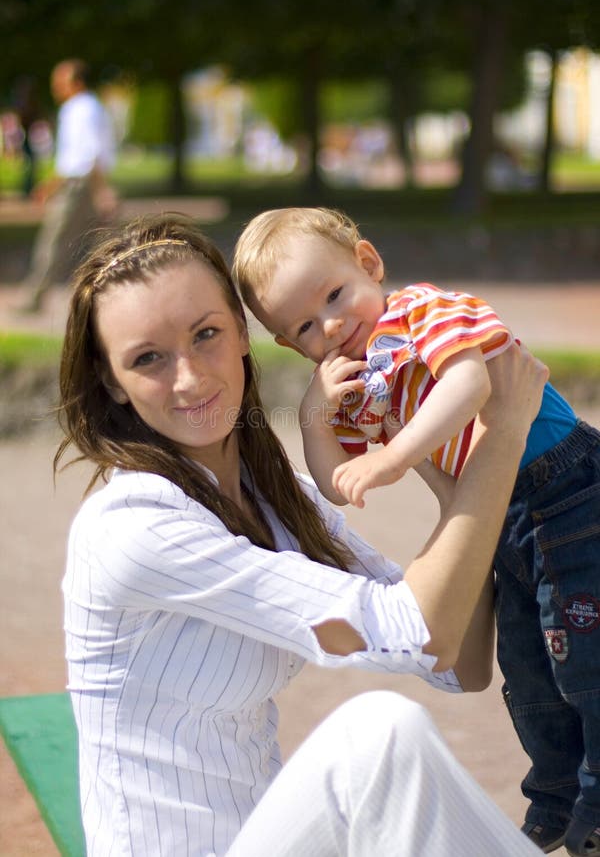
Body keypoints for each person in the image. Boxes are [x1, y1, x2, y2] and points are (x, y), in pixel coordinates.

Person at [57, 212, 547, 857]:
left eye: (205, 334)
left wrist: (449, 473)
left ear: (242, 335)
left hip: (261, 838)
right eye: (147, 358)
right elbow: (419, 631)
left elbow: (456, 661)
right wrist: (501, 437)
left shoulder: (277, 500)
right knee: (377, 737)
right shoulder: (134, 527)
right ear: (111, 384)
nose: (190, 377)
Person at [233, 206, 600, 856]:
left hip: (569, 487)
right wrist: (318, 416)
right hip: (505, 513)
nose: (333, 325)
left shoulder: (422, 311)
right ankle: (556, 795)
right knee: (527, 668)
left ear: (369, 264)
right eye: (306, 328)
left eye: (337, 294)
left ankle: (594, 803)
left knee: (585, 658)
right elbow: (342, 479)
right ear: (293, 347)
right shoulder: (366, 376)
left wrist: (396, 455)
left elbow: (470, 380)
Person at [17, 58, 117, 312]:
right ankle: (106, 299)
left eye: (60, 82)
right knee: (98, 243)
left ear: (77, 82)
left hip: (79, 185)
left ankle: (34, 298)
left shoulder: (81, 109)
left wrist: (55, 185)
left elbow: (86, 156)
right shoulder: (86, 107)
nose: (55, 88)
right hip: (83, 183)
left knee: (55, 240)